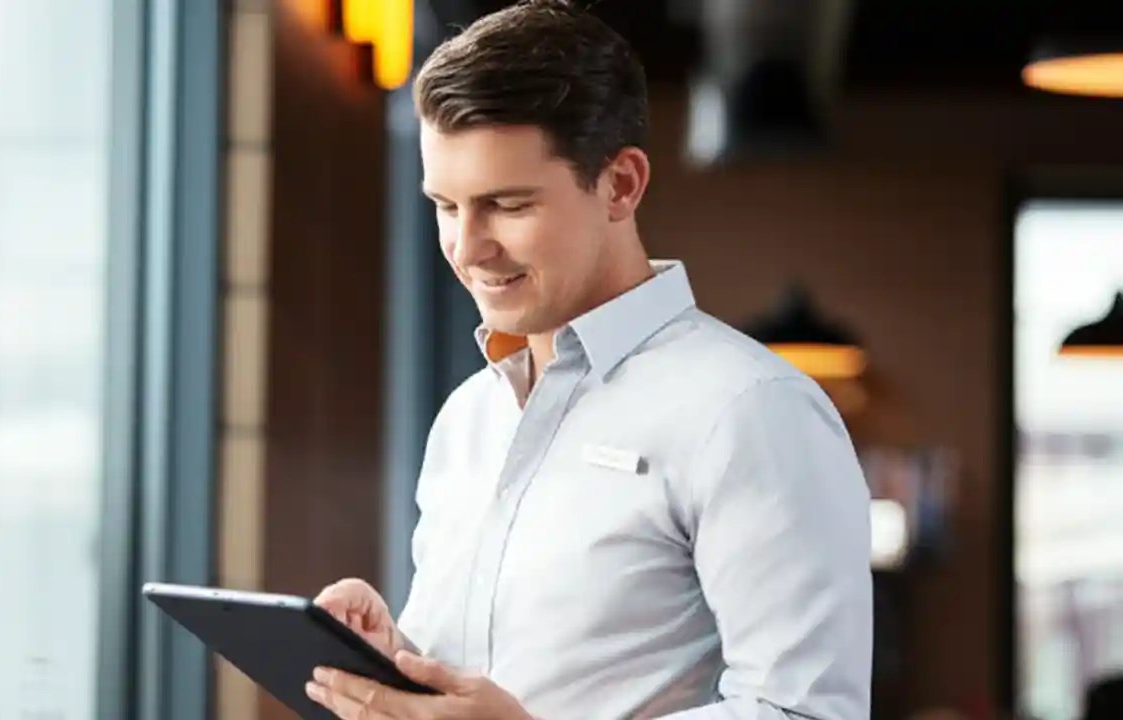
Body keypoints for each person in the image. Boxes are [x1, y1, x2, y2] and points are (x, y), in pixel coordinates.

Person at [306, 1, 872, 718]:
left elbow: (805, 713)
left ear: (622, 185)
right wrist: (394, 662)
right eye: (446, 207)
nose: (467, 248)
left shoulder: (749, 412)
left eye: (507, 205)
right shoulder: (468, 418)